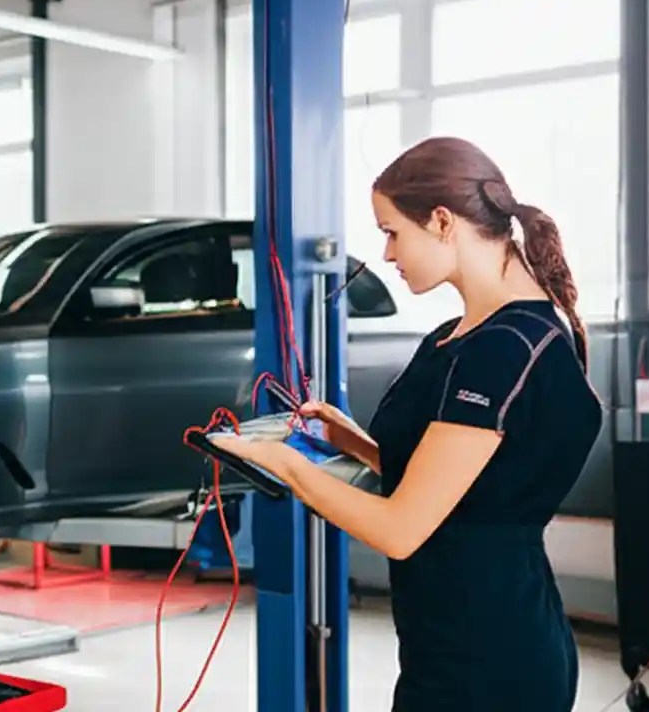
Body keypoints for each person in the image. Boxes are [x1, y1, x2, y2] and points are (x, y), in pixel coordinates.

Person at [212, 136, 603, 711]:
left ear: (442, 221)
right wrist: (356, 444)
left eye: (392, 231)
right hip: (447, 640)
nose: (388, 255)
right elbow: (466, 484)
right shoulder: (460, 337)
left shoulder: (506, 349)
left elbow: (402, 528)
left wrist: (288, 465)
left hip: (490, 661)